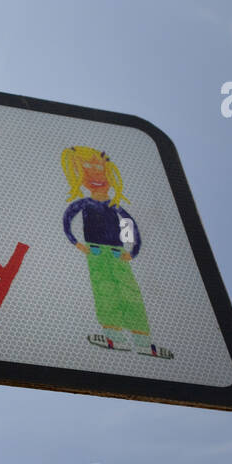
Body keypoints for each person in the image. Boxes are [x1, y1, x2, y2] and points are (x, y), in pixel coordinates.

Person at [60, 146, 172, 359]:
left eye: (99, 169)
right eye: (86, 170)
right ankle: (114, 337)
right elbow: (68, 220)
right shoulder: (84, 203)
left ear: (110, 175)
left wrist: (133, 250)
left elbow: (128, 226)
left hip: (117, 253)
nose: (94, 175)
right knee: (105, 292)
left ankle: (143, 343)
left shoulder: (115, 207)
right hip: (96, 253)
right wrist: (76, 243)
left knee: (130, 293)